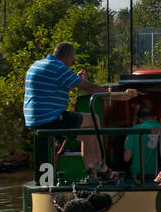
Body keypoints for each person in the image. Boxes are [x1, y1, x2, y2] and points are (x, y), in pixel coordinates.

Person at [24, 41, 130, 179]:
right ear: (68, 58)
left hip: (35, 119)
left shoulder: (37, 65)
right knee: (95, 119)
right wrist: (118, 96)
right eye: (72, 62)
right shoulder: (58, 67)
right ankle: (102, 169)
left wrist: (75, 80)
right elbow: (90, 88)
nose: (71, 65)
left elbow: (52, 89)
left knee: (87, 135)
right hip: (50, 118)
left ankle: (92, 173)